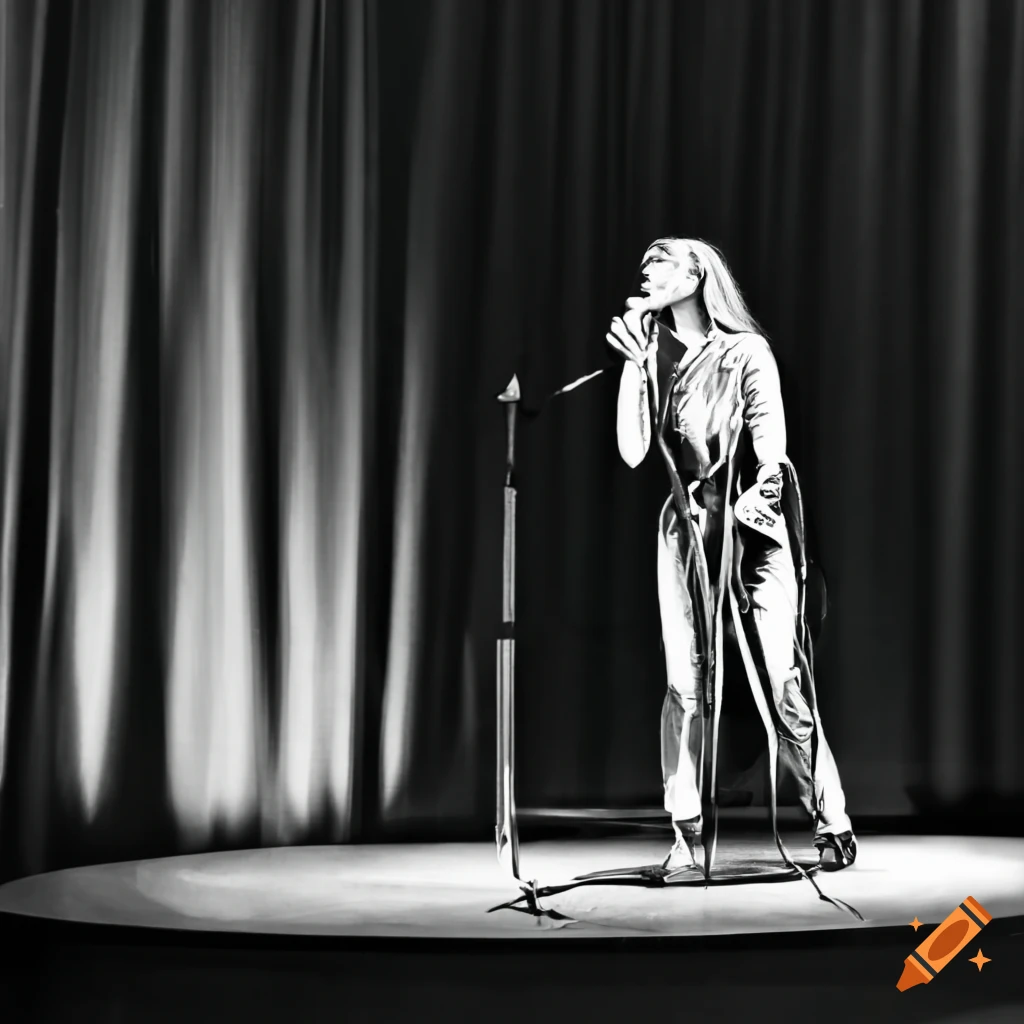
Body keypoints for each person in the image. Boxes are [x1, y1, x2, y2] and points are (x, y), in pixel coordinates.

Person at [606, 237, 856, 878]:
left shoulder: (746, 352)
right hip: (686, 530)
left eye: (660, 259)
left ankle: (830, 818)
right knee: (686, 686)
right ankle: (685, 833)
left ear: (697, 273)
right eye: (644, 263)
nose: (647, 269)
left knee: (782, 678)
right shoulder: (654, 357)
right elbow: (636, 453)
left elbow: (771, 456)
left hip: (755, 529)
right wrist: (637, 367)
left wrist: (746, 514)